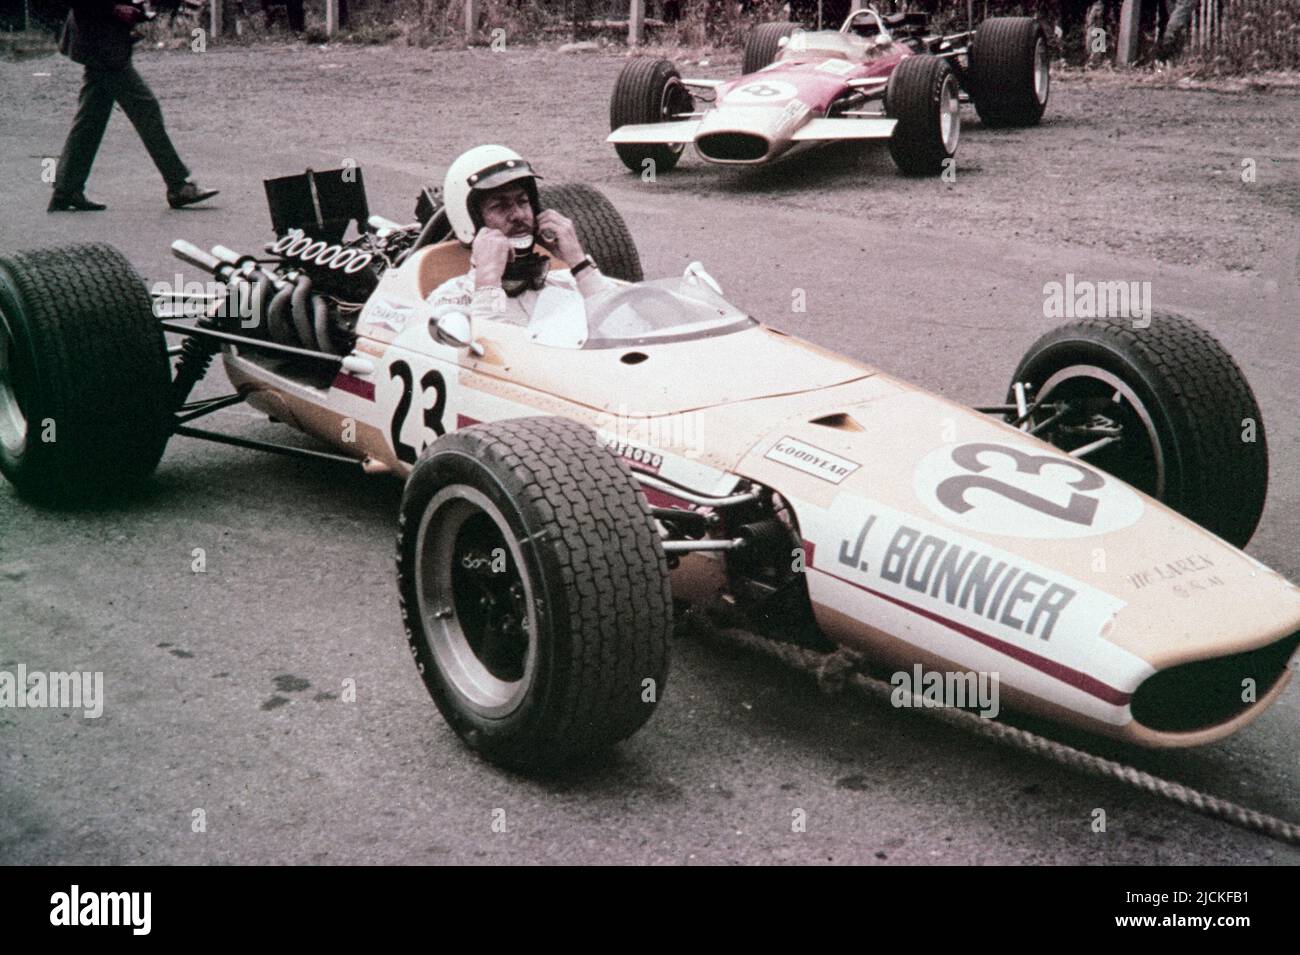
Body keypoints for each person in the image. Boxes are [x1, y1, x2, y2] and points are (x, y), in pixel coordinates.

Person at [426, 145, 615, 335]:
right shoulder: (451, 301)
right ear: (472, 220)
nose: (518, 215)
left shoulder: (567, 282)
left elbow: (623, 327)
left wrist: (578, 262)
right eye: (499, 206)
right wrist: (488, 283)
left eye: (523, 201)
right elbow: (492, 353)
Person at [49, 1, 218, 212]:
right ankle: (178, 185)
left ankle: (66, 189)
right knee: (146, 109)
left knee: (91, 118)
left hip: (101, 41)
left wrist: (135, 9)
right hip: (101, 44)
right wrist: (114, 9)